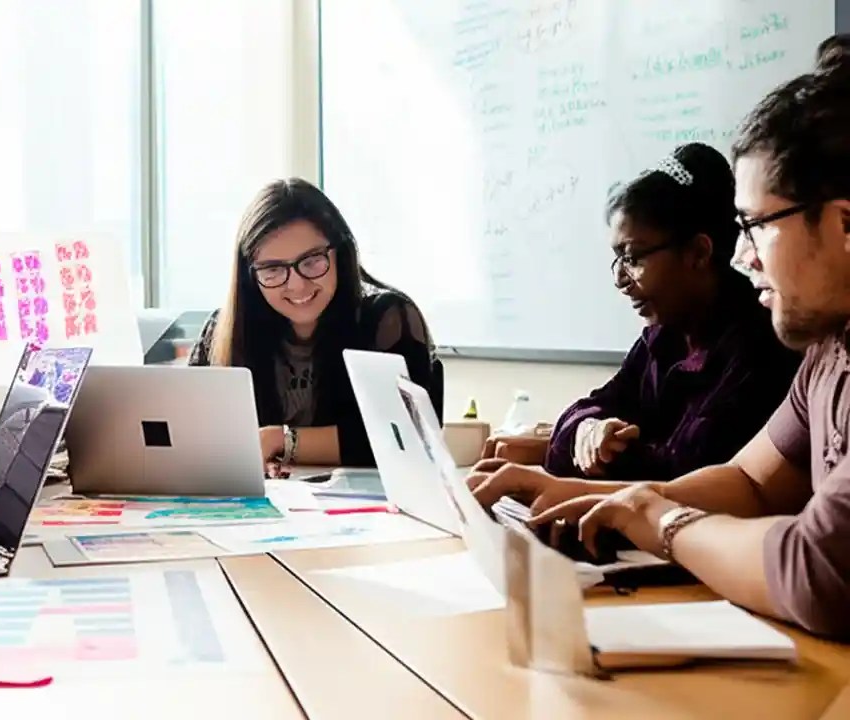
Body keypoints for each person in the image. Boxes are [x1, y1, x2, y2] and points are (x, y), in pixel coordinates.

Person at [467, 67, 850, 640]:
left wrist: (660, 518)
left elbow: (817, 569)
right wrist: (593, 494)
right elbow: (751, 481)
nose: (743, 256)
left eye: (755, 226)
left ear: (844, 222)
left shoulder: (768, 343)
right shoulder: (828, 348)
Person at [479, 144, 799, 480]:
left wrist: (595, 450)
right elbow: (586, 413)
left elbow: (685, 473)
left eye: (632, 257)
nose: (620, 278)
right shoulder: (661, 340)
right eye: (617, 259)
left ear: (698, 252)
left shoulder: (760, 347)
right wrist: (587, 430)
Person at [188, 178, 441, 471]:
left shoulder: (387, 318)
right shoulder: (222, 331)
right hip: (262, 496)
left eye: (311, 261)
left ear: (340, 255)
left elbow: (404, 437)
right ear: (249, 276)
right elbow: (191, 436)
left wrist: (280, 441)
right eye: (273, 269)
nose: (296, 284)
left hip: (364, 498)